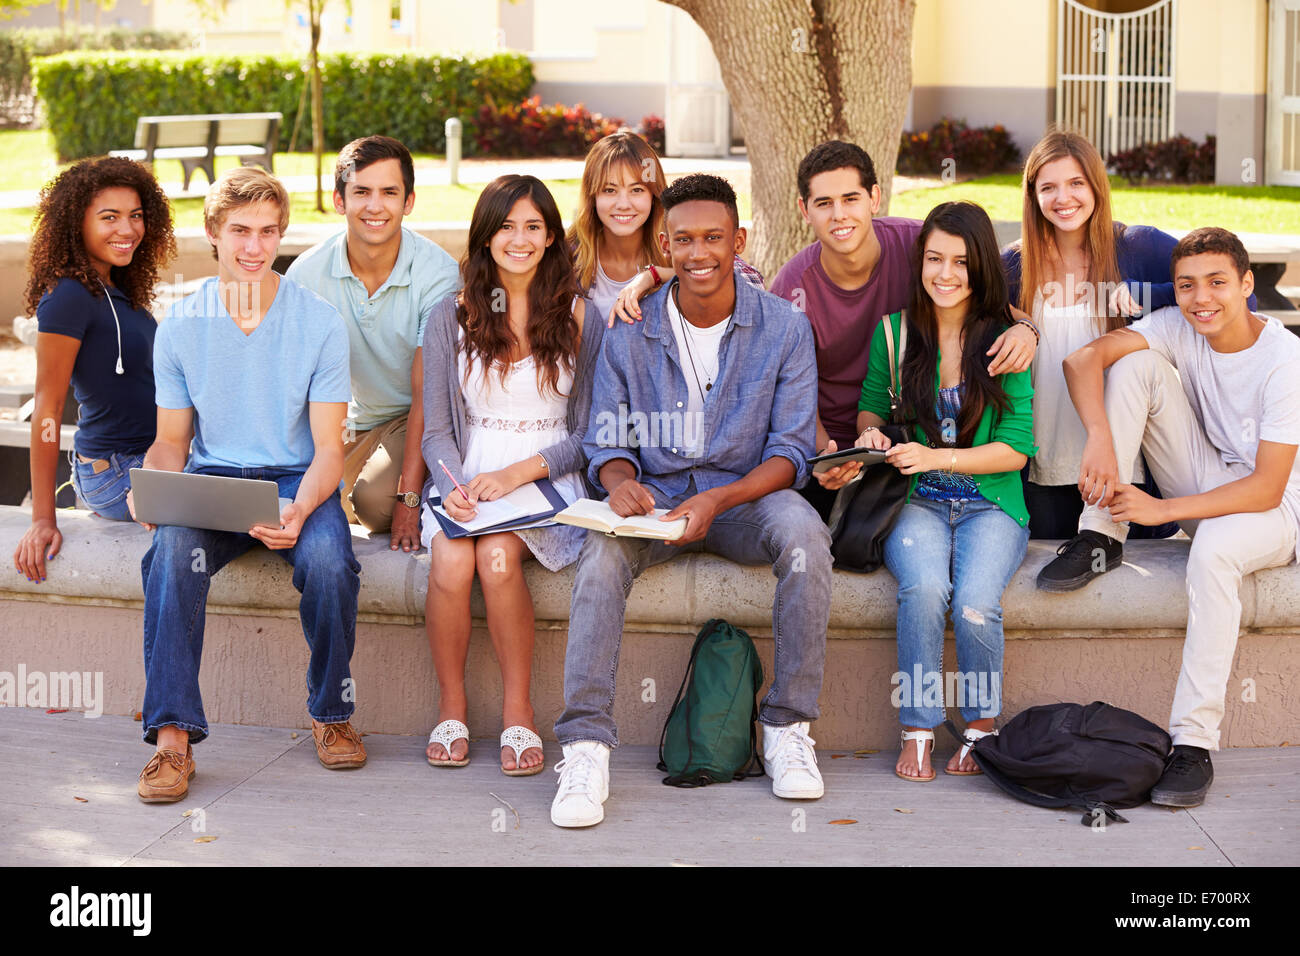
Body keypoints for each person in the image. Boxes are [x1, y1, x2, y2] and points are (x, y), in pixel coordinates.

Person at [550, 173, 832, 828]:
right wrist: (621, 481)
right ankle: (587, 747)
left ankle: (788, 728)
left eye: (713, 237)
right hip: (658, 501)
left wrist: (719, 501)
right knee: (597, 563)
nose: (699, 252)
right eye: (683, 239)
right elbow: (607, 439)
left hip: (742, 498)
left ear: (739, 240)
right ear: (664, 245)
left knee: (805, 538)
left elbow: (791, 453)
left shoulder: (786, 328)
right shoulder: (629, 328)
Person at [132, 167, 363, 804]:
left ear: (281, 234)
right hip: (213, 483)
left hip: (298, 479)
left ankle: (331, 713)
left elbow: (327, 452)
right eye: (240, 231)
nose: (254, 247)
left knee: (329, 562)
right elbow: (173, 443)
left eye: (267, 232)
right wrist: (153, 483)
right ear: (213, 233)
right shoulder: (181, 325)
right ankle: (172, 741)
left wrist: (299, 508)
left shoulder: (318, 323)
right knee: (172, 555)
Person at [1059, 227, 1300, 807]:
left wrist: (1162, 510)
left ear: (1248, 284)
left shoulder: (1286, 363)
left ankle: (1193, 744)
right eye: (1187, 286)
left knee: (1214, 551)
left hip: (1276, 509)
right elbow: (1081, 358)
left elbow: (1267, 488)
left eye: (1217, 283)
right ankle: (1101, 534)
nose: (1201, 299)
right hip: (1209, 482)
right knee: (1133, 368)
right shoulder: (1176, 326)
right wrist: (1098, 438)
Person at [826, 201, 1035, 781]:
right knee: (923, 590)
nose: (946, 274)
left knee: (974, 604)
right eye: (935, 259)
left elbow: (1016, 448)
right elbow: (871, 405)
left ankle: (980, 727)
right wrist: (869, 432)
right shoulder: (894, 334)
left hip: (991, 503)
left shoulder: (1005, 342)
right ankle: (918, 726)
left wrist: (936, 456)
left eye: (962, 262)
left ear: (983, 267)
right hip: (913, 501)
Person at [421, 174, 603, 775]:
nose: (519, 239)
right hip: (469, 474)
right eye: (505, 227)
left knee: (496, 558)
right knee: (451, 556)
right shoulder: (452, 315)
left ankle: (519, 712)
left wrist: (519, 473)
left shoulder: (580, 315)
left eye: (533, 227)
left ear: (552, 236)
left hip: (548, 475)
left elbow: (592, 436)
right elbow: (438, 429)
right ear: (485, 236)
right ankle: (451, 708)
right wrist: (450, 484)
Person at [769, 141, 1038, 520]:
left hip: (908, 444)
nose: (839, 215)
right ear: (804, 210)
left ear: (874, 198)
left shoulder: (920, 245)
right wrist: (827, 453)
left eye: (851, 199)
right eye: (824, 203)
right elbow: (791, 386)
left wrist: (1026, 328)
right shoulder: (792, 286)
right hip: (831, 446)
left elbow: (987, 297)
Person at [1002, 129, 1207, 560]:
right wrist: (1018, 324)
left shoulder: (1138, 247)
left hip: (1128, 471)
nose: (1064, 198)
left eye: (1076, 183)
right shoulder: (1014, 266)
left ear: (1096, 185)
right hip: (1044, 471)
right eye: (1048, 187)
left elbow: (1235, 296)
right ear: (1032, 195)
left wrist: (1149, 294)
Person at [286, 135, 459, 551]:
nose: (375, 206)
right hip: (341, 421)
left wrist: (407, 498)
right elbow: (288, 382)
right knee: (291, 491)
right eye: (361, 192)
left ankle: (415, 482)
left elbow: (428, 394)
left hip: (413, 418)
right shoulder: (306, 275)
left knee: (375, 504)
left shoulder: (438, 274)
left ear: (409, 201)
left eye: (389, 192)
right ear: (339, 200)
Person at [13, 158, 175, 584]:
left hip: (152, 456)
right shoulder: (68, 296)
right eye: (109, 218)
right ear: (75, 223)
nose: (127, 230)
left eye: (136, 216)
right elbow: (48, 407)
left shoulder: (117, 289)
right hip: (116, 471)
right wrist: (43, 518)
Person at [575, 130, 766, 326]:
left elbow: (750, 284)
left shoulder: (677, 244)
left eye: (637, 190)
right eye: (609, 190)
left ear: (653, 195)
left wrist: (654, 276)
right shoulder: (571, 259)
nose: (623, 204)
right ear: (592, 196)